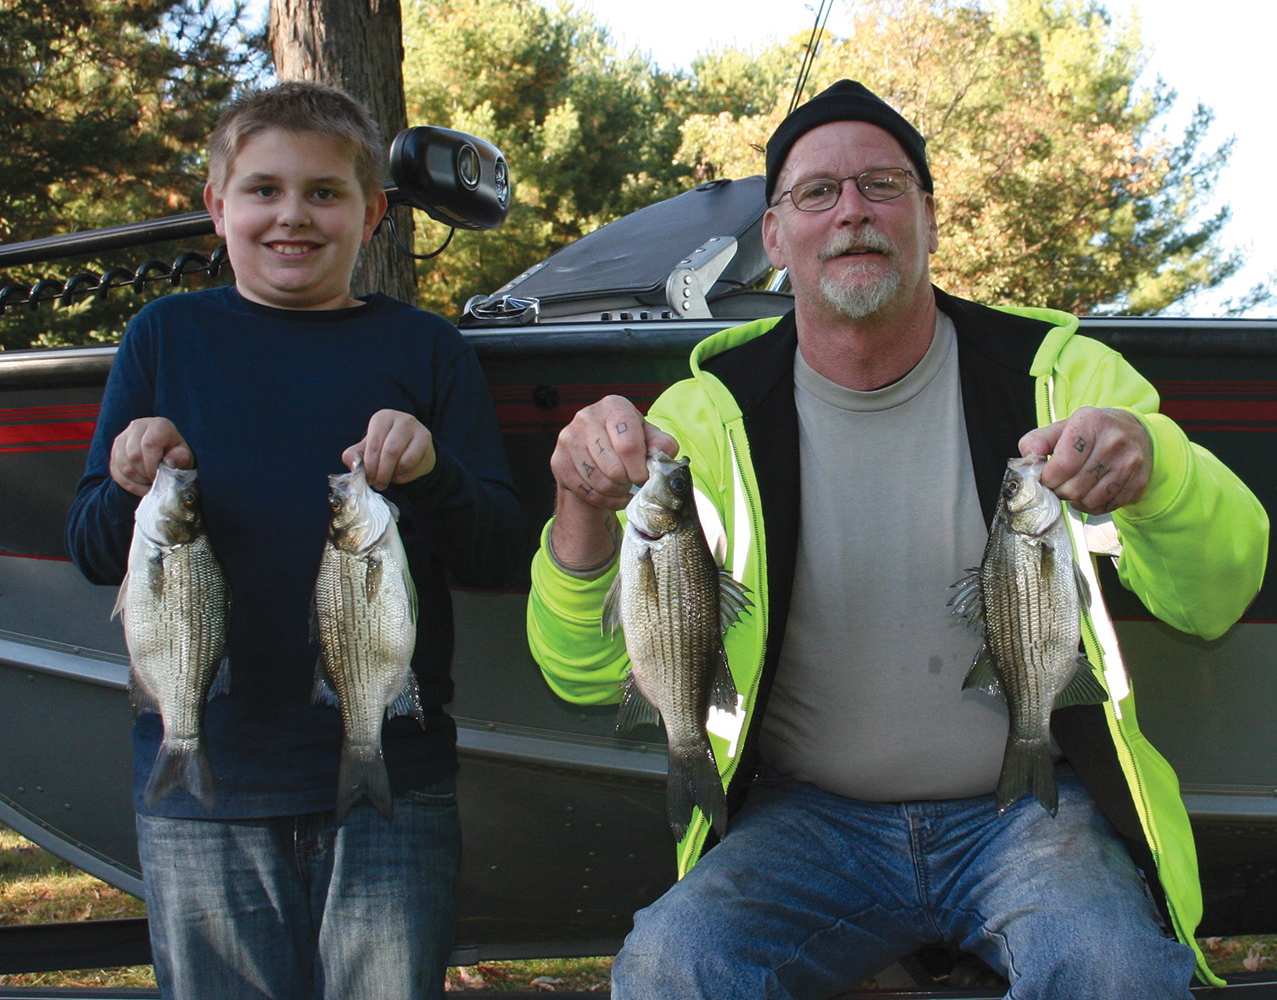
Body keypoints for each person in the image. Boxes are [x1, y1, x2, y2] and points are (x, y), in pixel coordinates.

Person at [526, 79, 1268, 999]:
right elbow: (585, 676)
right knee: (671, 964)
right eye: (816, 192)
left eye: (882, 186)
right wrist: (582, 508)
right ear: (772, 235)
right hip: (801, 822)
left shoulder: (1061, 376)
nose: (852, 213)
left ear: (927, 215)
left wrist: (1161, 469)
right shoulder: (700, 420)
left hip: (1028, 813)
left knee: (1112, 967)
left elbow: (1217, 594)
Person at [65, 81, 525, 1000]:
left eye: (325, 193)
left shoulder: (428, 348)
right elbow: (89, 548)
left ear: (374, 213)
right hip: (204, 781)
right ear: (216, 208)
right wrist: (124, 481)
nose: (292, 217)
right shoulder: (164, 337)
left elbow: (502, 557)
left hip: (395, 776)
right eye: (263, 190)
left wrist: (432, 470)